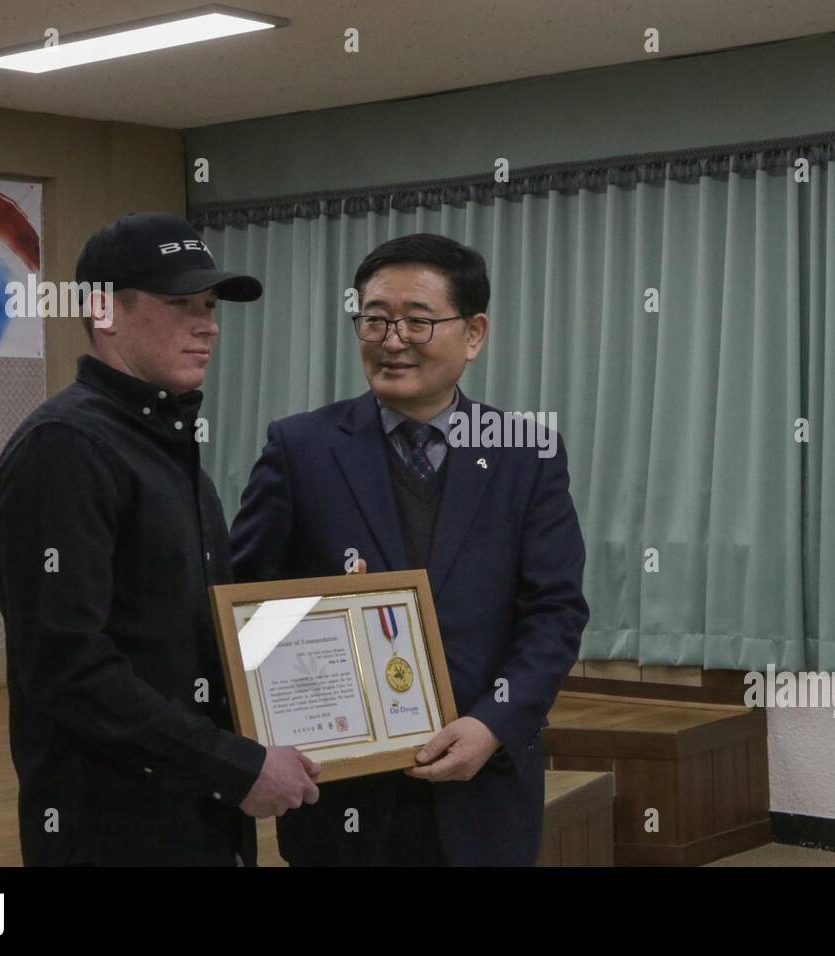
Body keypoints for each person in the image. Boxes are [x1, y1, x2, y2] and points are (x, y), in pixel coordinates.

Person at [230, 233, 589, 865]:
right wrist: (321, 609)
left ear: (473, 333)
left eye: (417, 322)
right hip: (344, 795)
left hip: (485, 785)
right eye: (374, 319)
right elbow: (244, 612)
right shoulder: (301, 448)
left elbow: (555, 611)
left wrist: (493, 725)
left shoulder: (524, 453)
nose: (391, 341)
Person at [0, 212, 320, 866]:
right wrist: (233, 765)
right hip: (113, 828)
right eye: (179, 304)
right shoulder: (67, 448)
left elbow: (183, 631)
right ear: (103, 311)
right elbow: (68, 668)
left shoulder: (165, 445)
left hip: (196, 813)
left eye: (209, 306)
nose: (208, 324)